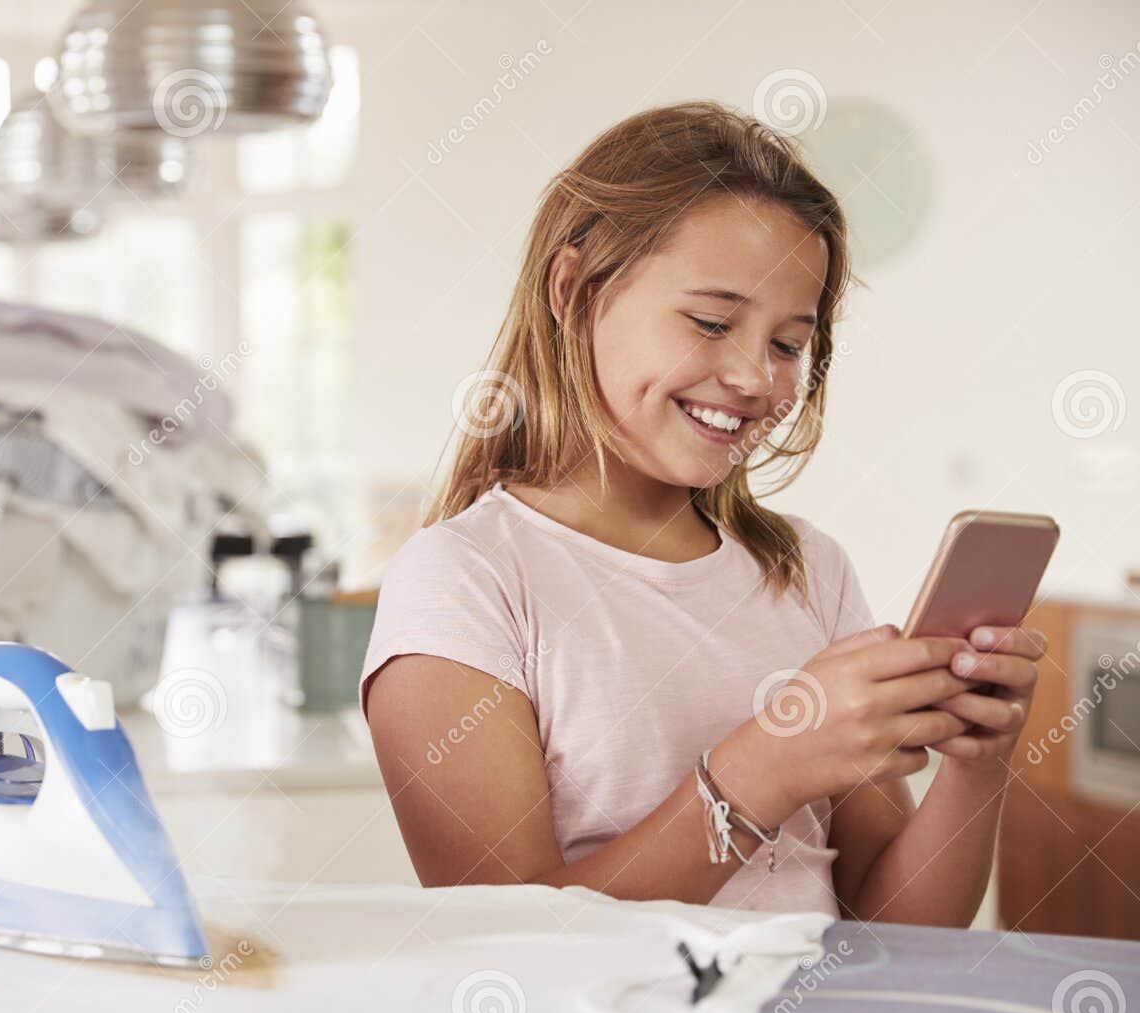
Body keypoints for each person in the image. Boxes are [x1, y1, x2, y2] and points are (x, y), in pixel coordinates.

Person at [359, 101, 1046, 926]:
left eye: (788, 344)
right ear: (573, 290)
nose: (755, 377)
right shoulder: (464, 579)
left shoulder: (809, 572)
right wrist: (765, 768)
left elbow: (899, 928)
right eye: (712, 323)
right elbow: (505, 942)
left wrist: (977, 765)